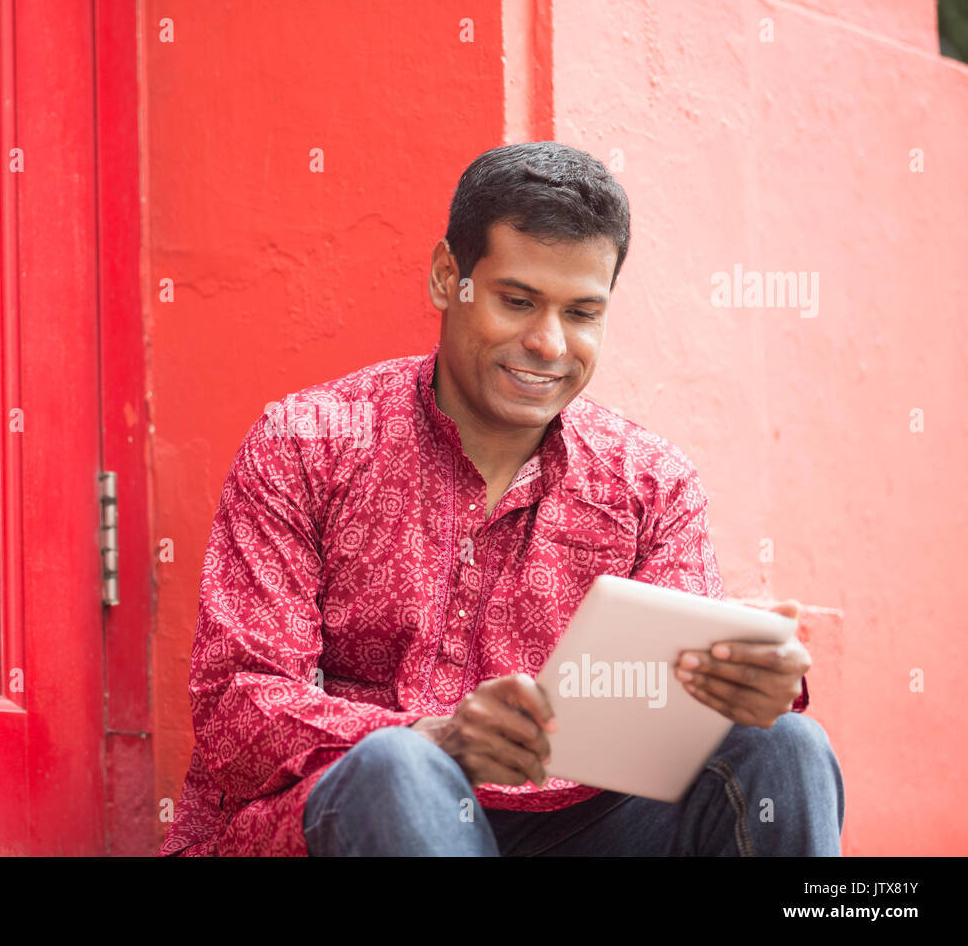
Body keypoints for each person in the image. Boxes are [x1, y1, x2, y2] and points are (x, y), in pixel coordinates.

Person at [158, 142, 843, 857]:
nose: (548, 343)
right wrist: (433, 737)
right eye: (517, 301)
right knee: (401, 770)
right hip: (362, 813)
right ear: (446, 277)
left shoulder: (651, 483)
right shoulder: (310, 441)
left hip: (577, 824)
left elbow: (674, 720)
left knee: (784, 746)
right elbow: (237, 711)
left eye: (582, 312)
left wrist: (743, 692)